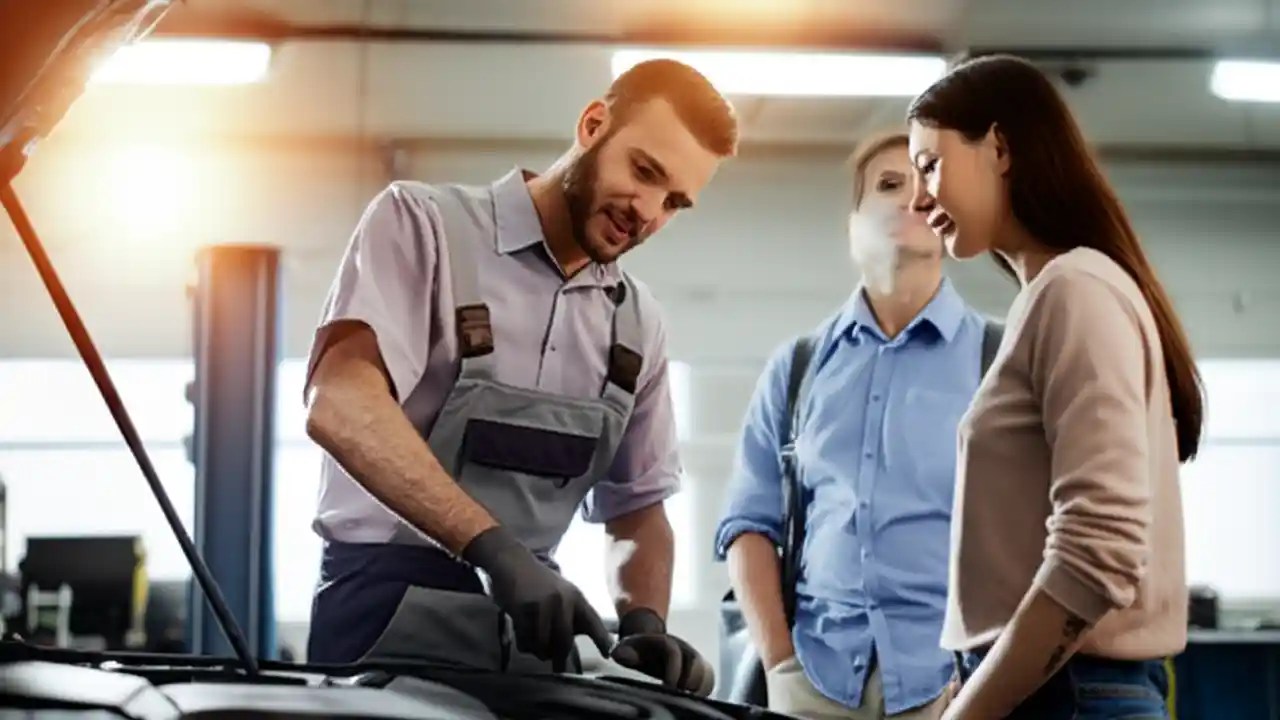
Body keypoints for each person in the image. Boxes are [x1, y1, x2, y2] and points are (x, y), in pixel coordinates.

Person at [301, 58, 736, 695]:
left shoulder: (637, 324)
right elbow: (339, 402)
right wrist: (495, 552)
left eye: (674, 203)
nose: (647, 211)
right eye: (644, 173)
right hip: (380, 618)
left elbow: (638, 508)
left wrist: (645, 622)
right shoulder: (425, 227)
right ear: (593, 125)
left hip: (533, 634)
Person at [905, 54, 1204, 720]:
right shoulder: (1059, 294)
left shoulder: (1075, 290)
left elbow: (1098, 551)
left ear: (1000, 148)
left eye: (929, 165)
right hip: (1056, 690)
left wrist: (969, 715)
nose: (918, 198)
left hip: (1071, 697)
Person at [715, 130, 997, 720]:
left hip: (954, 688)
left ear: (949, 221)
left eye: (928, 182)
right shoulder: (796, 368)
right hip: (812, 682)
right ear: (853, 226)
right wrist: (780, 666)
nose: (913, 196)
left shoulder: (1001, 359)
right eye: (890, 184)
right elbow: (747, 526)